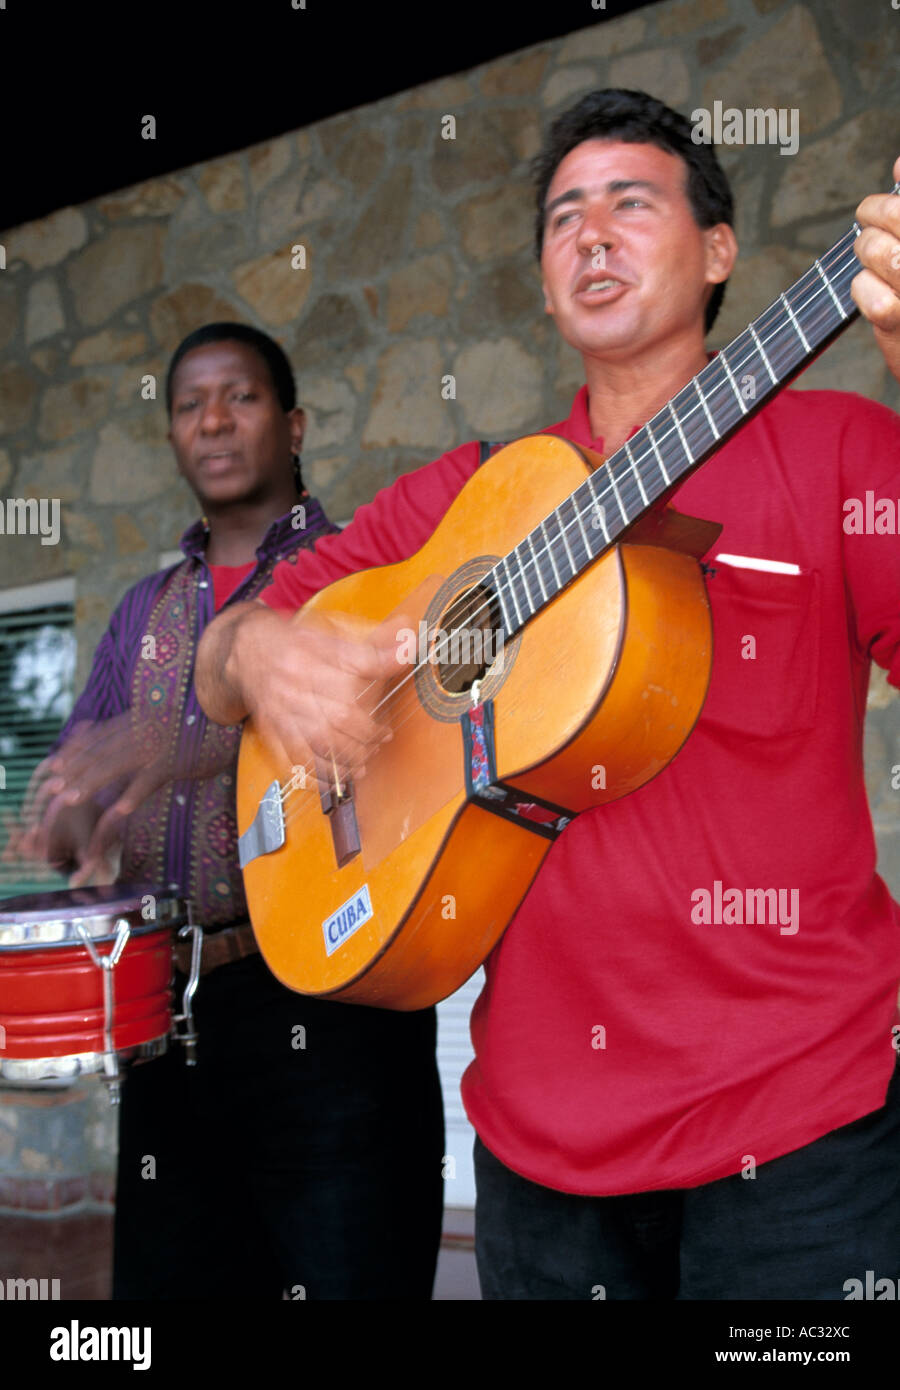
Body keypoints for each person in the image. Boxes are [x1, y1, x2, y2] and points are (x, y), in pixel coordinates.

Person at [195, 92, 900, 1300]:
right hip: (539, 1147)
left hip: (801, 1133)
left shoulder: (843, 451)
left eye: (632, 202)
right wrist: (258, 651)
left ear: (719, 251)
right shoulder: (467, 498)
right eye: (564, 216)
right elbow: (227, 650)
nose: (591, 235)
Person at [15, 322, 445, 1300]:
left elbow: (401, 753)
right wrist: (70, 818)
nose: (211, 420)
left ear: (292, 425)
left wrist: (191, 737)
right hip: (166, 1016)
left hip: (332, 1010)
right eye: (186, 404)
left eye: (239, 397)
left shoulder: (359, 570)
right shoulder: (144, 612)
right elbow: (89, 786)